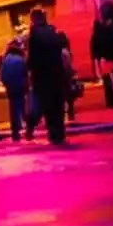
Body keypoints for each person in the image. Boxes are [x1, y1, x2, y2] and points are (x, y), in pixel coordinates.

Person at [26, 9, 69, 145]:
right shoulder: (52, 31)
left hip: (43, 76)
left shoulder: (35, 34)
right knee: (58, 104)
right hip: (57, 73)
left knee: (48, 106)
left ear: (33, 19)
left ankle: (54, 134)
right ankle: (60, 133)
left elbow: (33, 58)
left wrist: (30, 72)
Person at [0, 40, 28, 142]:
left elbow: (2, 76)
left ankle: (15, 131)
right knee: (22, 106)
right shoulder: (21, 59)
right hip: (20, 86)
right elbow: (26, 73)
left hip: (11, 87)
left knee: (13, 108)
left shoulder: (6, 60)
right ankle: (27, 127)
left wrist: (6, 84)